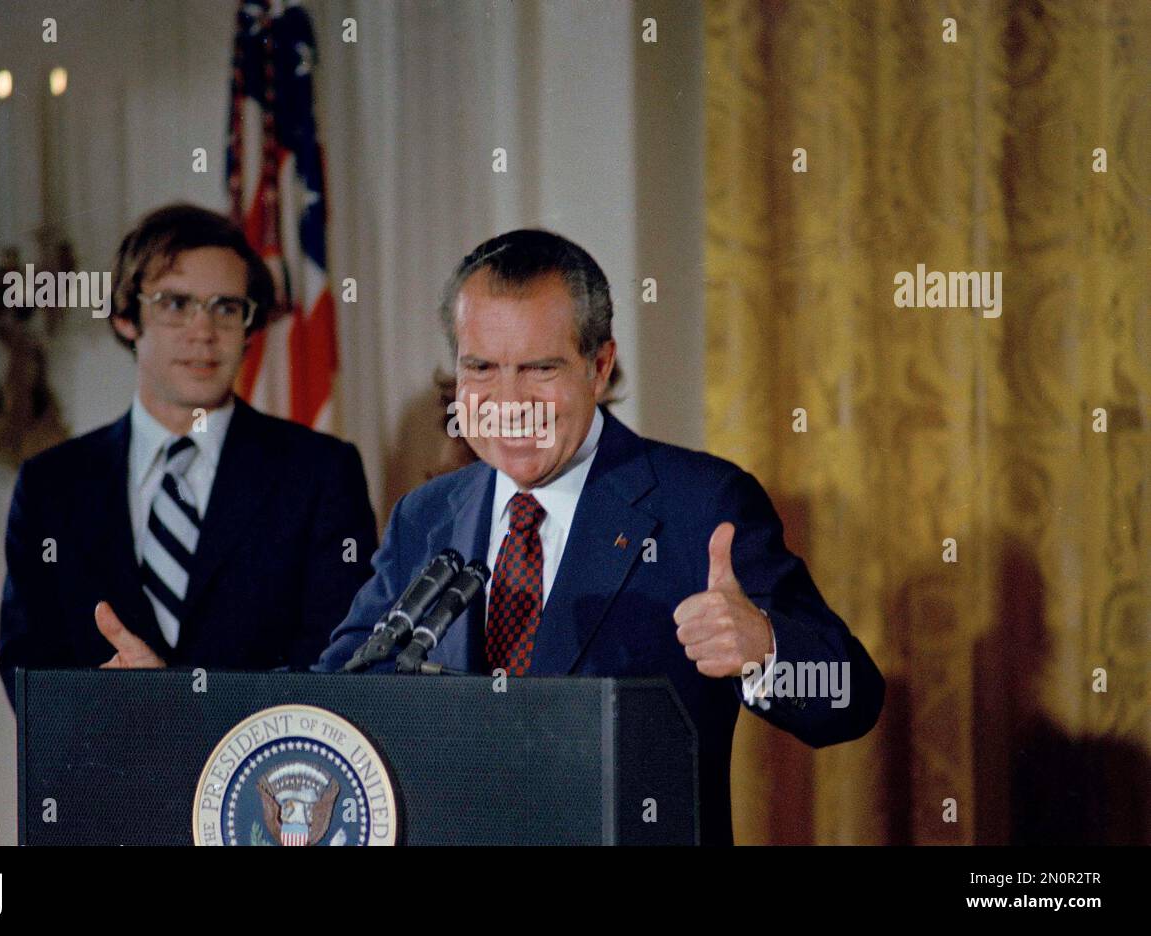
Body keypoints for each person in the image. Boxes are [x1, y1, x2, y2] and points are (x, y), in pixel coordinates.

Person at [317, 229, 885, 845]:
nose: (509, 402)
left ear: (599, 366)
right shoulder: (425, 516)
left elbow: (849, 696)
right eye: (481, 367)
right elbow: (337, 691)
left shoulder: (698, 505)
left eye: (539, 369)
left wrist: (764, 649)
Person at [0, 203, 377, 706]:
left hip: (263, 781)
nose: (203, 332)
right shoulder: (52, 486)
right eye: (176, 304)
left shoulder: (321, 474)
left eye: (226, 308)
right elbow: (27, 669)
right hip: (107, 776)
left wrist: (181, 713)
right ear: (127, 318)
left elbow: (340, 666)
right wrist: (98, 709)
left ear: (249, 327)